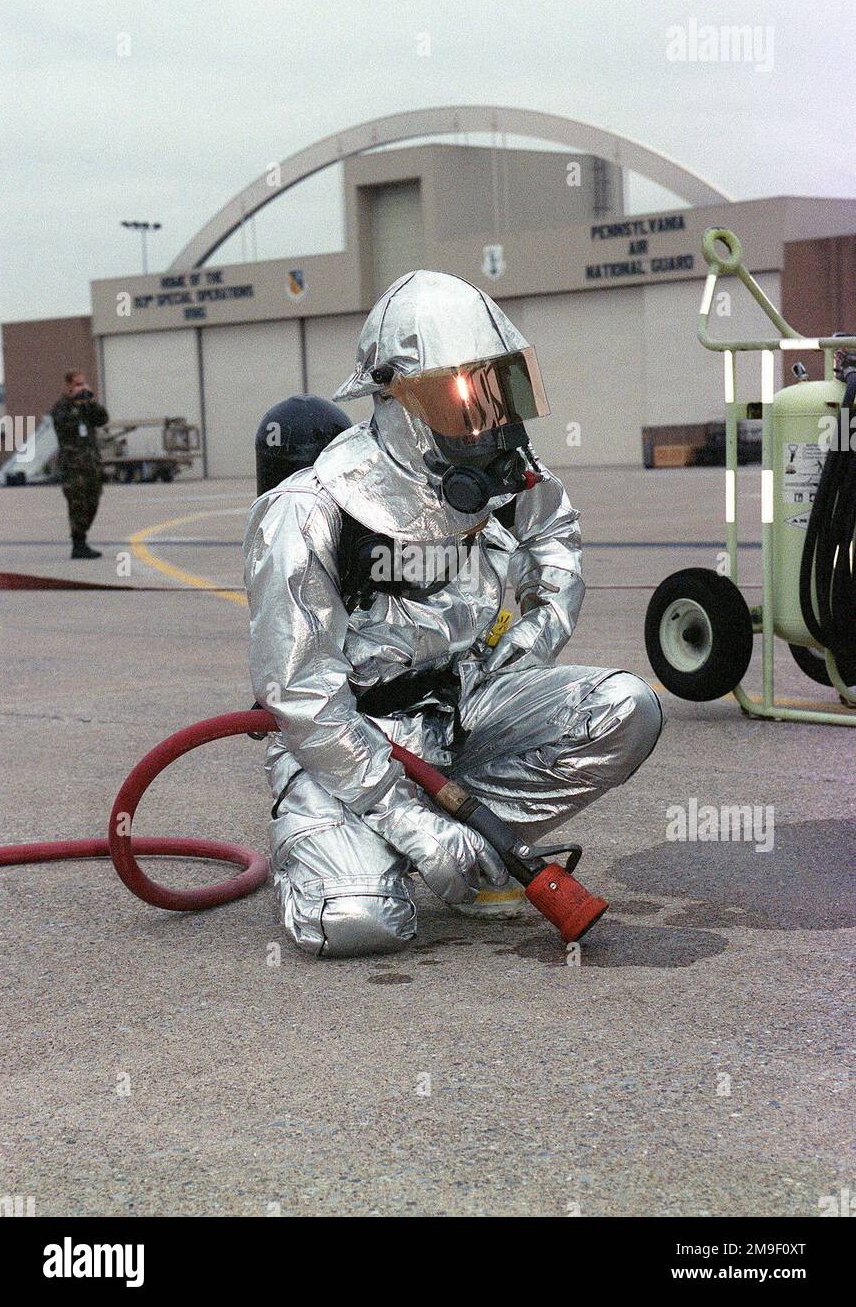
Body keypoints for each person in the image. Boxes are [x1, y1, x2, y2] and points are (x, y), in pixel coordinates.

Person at [244, 272, 663, 958]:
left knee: (624, 709)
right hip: (344, 741)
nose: (492, 420)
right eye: (469, 397)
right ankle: (375, 852)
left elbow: (554, 539)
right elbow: (299, 695)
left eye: (501, 390)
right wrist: (411, 822)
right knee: (360, 924)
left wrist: (530, 641)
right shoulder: (306, 509)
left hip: (462, 708)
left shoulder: (501, 473)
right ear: (398, 400)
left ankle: (472, 847)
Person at [50, 371, 108, 559]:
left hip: (91, 465)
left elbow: (103, 419)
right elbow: (64, 423)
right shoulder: (61, 407)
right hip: (73, 467)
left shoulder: (87, 405)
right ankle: (78, 544)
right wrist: (77, 403)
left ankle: (82, 538)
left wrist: (90, 401)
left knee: (92, 502)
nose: (81, 388)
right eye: (77, 385)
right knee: (77, 505)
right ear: (68, 386)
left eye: (83, 384)